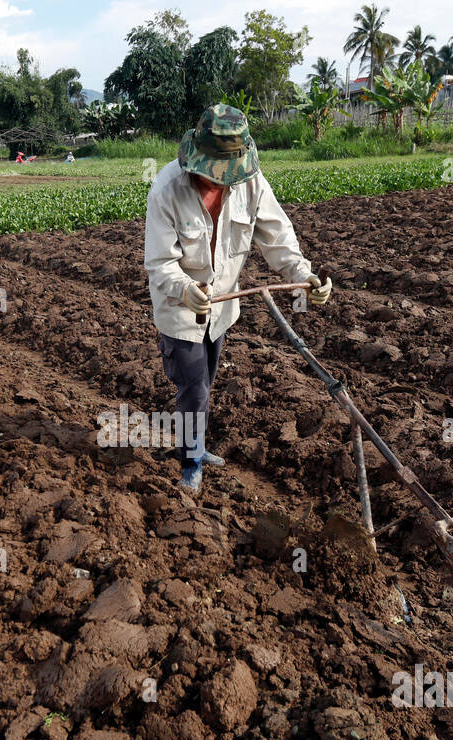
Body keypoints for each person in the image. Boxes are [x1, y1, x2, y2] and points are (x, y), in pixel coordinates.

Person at [144, 104, 332, 493]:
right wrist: (184, 289)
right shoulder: (166, 190)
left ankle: (194, 443)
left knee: (206, 381)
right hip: (181, 309)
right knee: (193, 386)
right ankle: (191, 460)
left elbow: (278, 236)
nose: (219, 180)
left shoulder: (251, 182)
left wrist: (304, 276)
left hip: (223, 306)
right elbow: (160, 263)